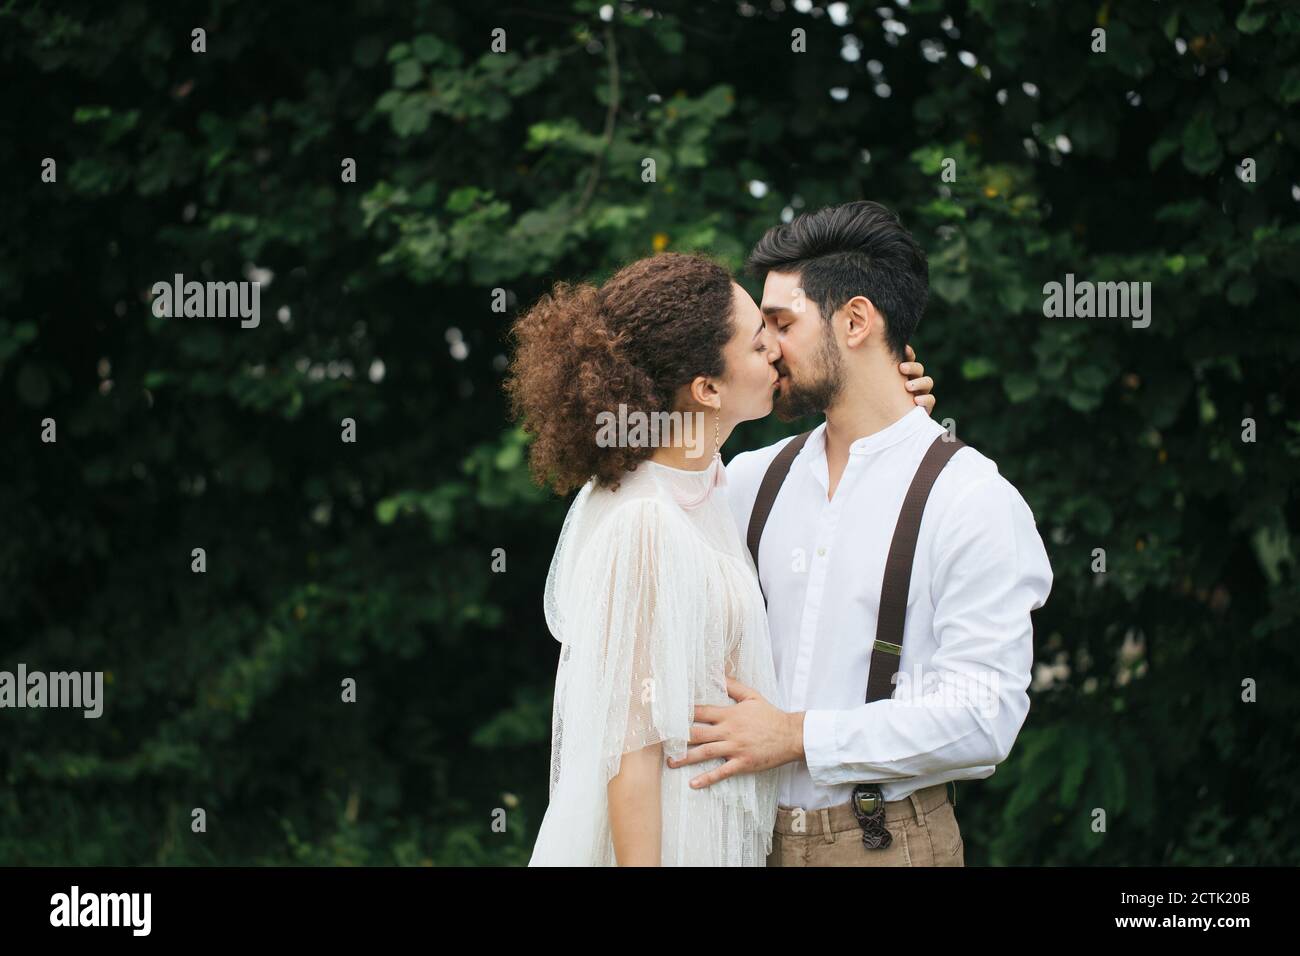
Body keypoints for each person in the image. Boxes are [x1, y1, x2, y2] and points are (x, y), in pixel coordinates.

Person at [506, 251, 935, 866]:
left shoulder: (715, 486)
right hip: (673, 837)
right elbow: (629, 751)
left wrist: (889, 407)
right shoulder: (644, 520)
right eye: (761, 343)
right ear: (707, 387)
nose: (779, 354)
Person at [663, 200, 1054, 866]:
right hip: (740, 840)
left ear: (854, 321)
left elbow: (983, 717)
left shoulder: (971, 499)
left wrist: (797, 736)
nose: (766, 348)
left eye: (781, 323)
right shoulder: (751, 479)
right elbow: (633, 526)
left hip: (886, 845)